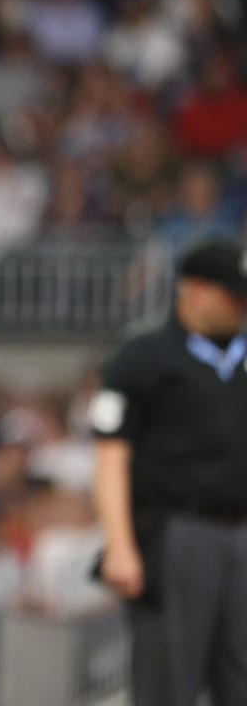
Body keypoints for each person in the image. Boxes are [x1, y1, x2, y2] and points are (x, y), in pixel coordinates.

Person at [91, 238, 247, 705]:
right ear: (196, 291)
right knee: (168, 678)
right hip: (177, 532)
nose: (243, 306)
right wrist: (119, 544)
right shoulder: (143, 359)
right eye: (234, 295)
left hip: (243, 533)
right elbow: (111, 455)